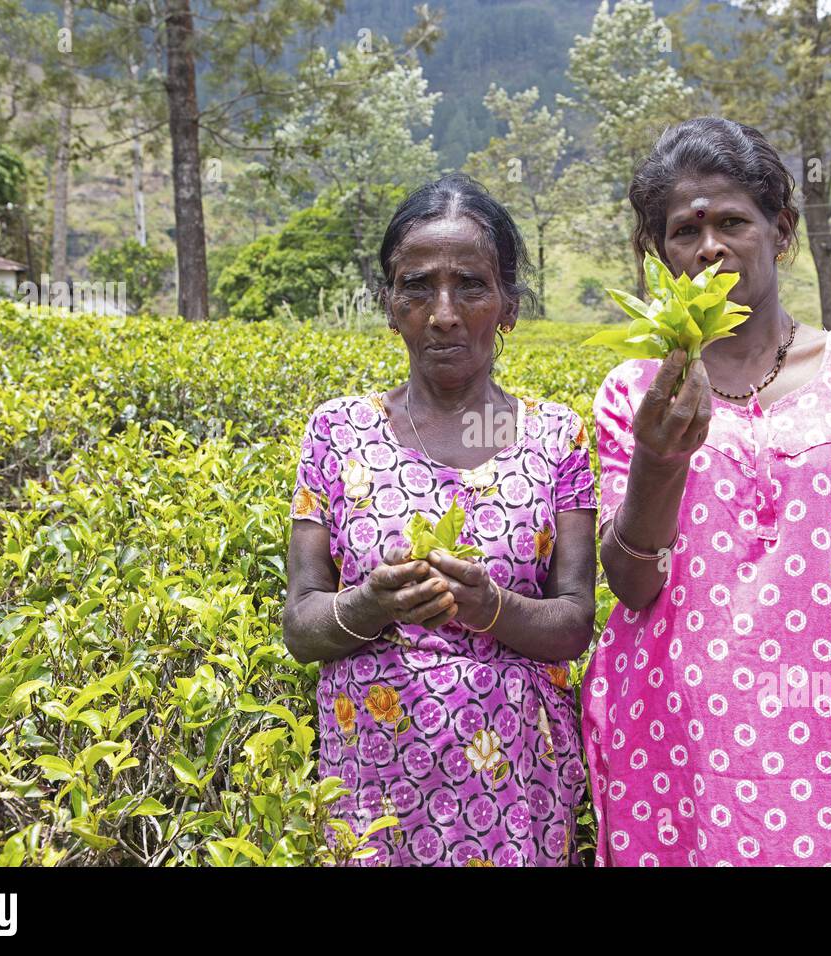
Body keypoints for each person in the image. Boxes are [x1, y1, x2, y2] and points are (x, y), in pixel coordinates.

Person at [582, 117, 831, 866]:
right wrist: (658, 457)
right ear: (660, 254)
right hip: (667, 745)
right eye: (684, 231)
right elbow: (630, 584)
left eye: (733, 221)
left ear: (781, 230)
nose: (709, 246)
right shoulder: (637, 390)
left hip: (824, 743)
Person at [282, 172, 598, 866]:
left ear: (509, 305)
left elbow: (574, 621)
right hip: (373, 789)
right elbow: (302, 627)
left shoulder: (556, 438)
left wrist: (490, 608)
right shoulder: (337, 433)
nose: (444, 312)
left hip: (517, 788)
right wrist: (367, 605)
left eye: (472, 286)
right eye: (417, 285)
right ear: (389, 304)